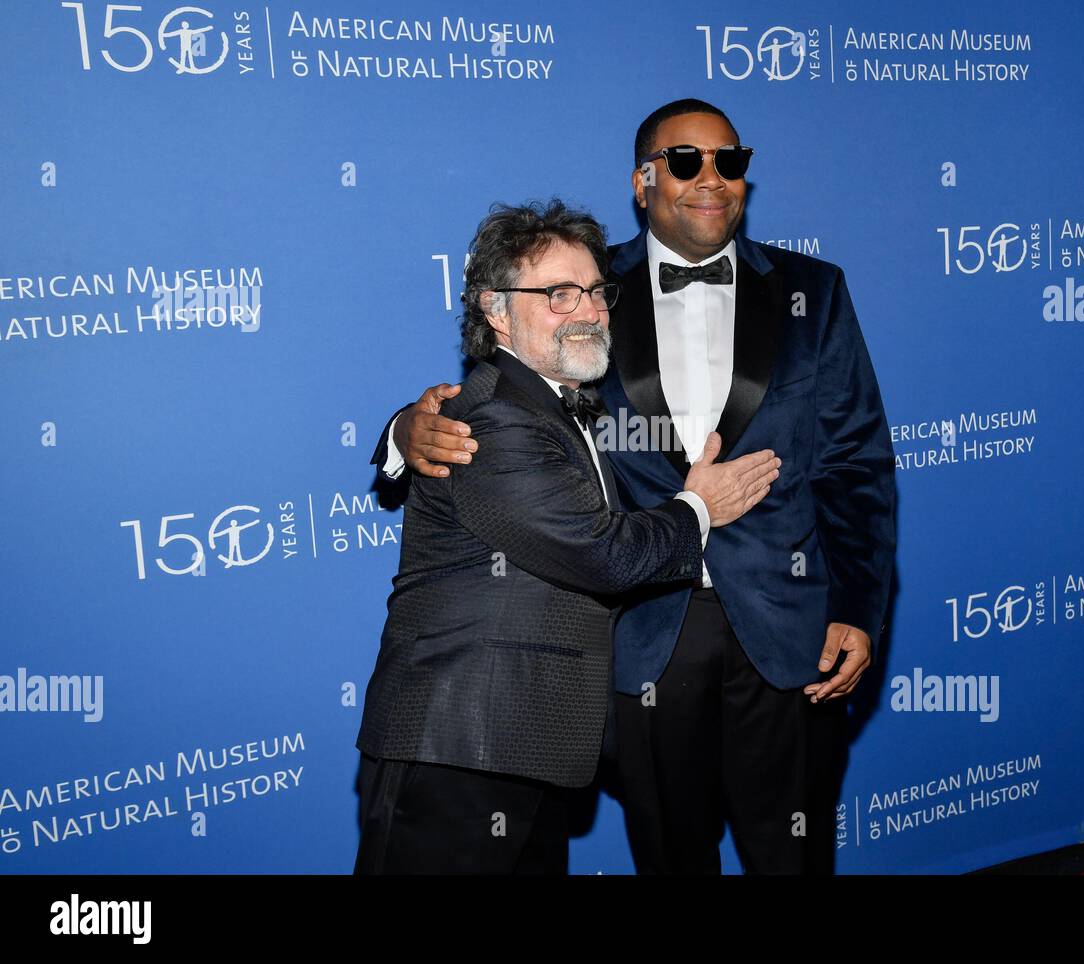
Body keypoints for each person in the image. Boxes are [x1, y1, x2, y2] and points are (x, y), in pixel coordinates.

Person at [374, 99, 897, 874]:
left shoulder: (811, 292)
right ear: (643, 180)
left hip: (787, 634)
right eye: (685, 161)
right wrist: (405, 432)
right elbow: (505, 398)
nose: (710, 179)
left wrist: (856, 606)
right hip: (640, 638)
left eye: (731, 160)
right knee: (670, 859)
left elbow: (856, 462)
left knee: (795, 857)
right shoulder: (582, 292)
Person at [354, 198, 780, 874]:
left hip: (528, 746)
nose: (586, 310)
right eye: (556, 293)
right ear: (497, 311)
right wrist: (700, 506)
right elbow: (603, 554)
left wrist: (406, 421)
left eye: (594, 291)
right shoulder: (493, 422)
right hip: (460, 750)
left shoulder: (565, 397)